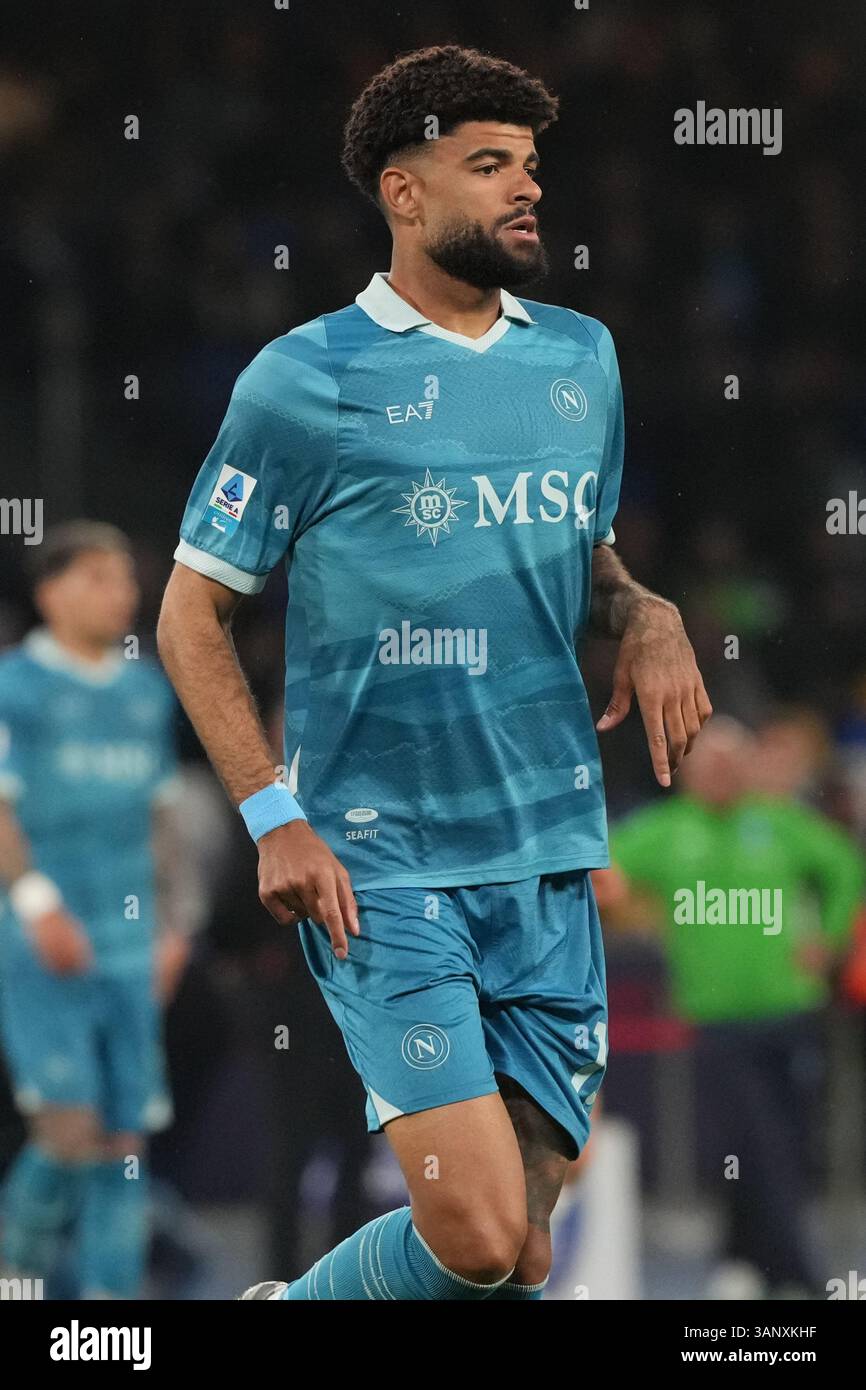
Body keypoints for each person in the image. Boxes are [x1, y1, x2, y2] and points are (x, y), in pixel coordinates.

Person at [157, 44, 711, 1301]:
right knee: (466, 1229)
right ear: (402, 194)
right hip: (380, 855)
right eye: (487, 165)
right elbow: (190, 615)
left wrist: (646, 609)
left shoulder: (579, 358)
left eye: (528, 166)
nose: (525, 190)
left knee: (516, 1253)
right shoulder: (304, 380)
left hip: (548, 843)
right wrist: (270, 813)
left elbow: (587, 556)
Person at [607, 717, 865, 1297]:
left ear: (746, 768)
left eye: (731, 763)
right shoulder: (666, 831)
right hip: (714, 1020)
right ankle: (795, 1272)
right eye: (709, 764)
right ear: (688, 773)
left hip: (790, 1013)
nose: (720, 774)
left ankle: (744, 1260)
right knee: (750, 1143)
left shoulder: (779, 824)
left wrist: (827, 938)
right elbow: (606, 872)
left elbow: (845, 868)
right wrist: (630, 911)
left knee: (781, 1144)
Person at [0, 522, 187, 1298]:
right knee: (69, 1131)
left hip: (132, 935)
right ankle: (17, 1280)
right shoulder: (16, 686)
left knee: (124, 1139)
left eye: (127, 578)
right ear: (51, 591)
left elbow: (165, 824)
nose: (122, 593)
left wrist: (176, 927)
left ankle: (113, 1319)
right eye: (100, 578)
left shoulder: (146, 692)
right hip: (40, 933)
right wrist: (38, 904)